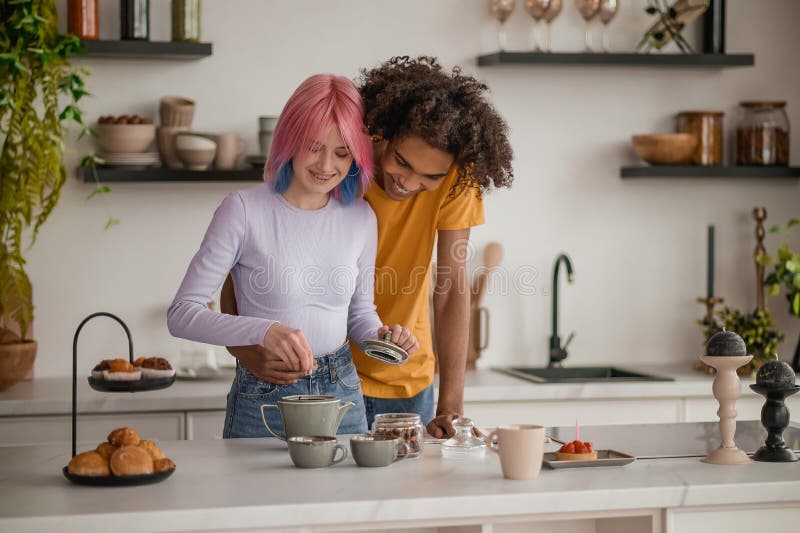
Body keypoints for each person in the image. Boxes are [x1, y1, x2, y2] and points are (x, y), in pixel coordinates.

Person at [222, 56, 513, 438]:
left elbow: (452, 286)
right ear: (384, 135)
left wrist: (452, 405)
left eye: (430, 177)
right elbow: (247, 262)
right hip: (318, 376)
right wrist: (242, 350)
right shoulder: (340, 155)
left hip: (404, 380)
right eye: (401, 162)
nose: (408, 183)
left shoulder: (458, 177)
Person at [167, 74, 418, 438]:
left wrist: (385, 338)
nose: (326, 165)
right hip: (266, 398)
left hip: (342, 393)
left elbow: (360, 314)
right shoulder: (242, 210)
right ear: (290, 139)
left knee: (346, 496)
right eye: (314, 146)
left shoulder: (361, 217)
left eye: (342, 152)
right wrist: (263, 331)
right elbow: (182, 313)